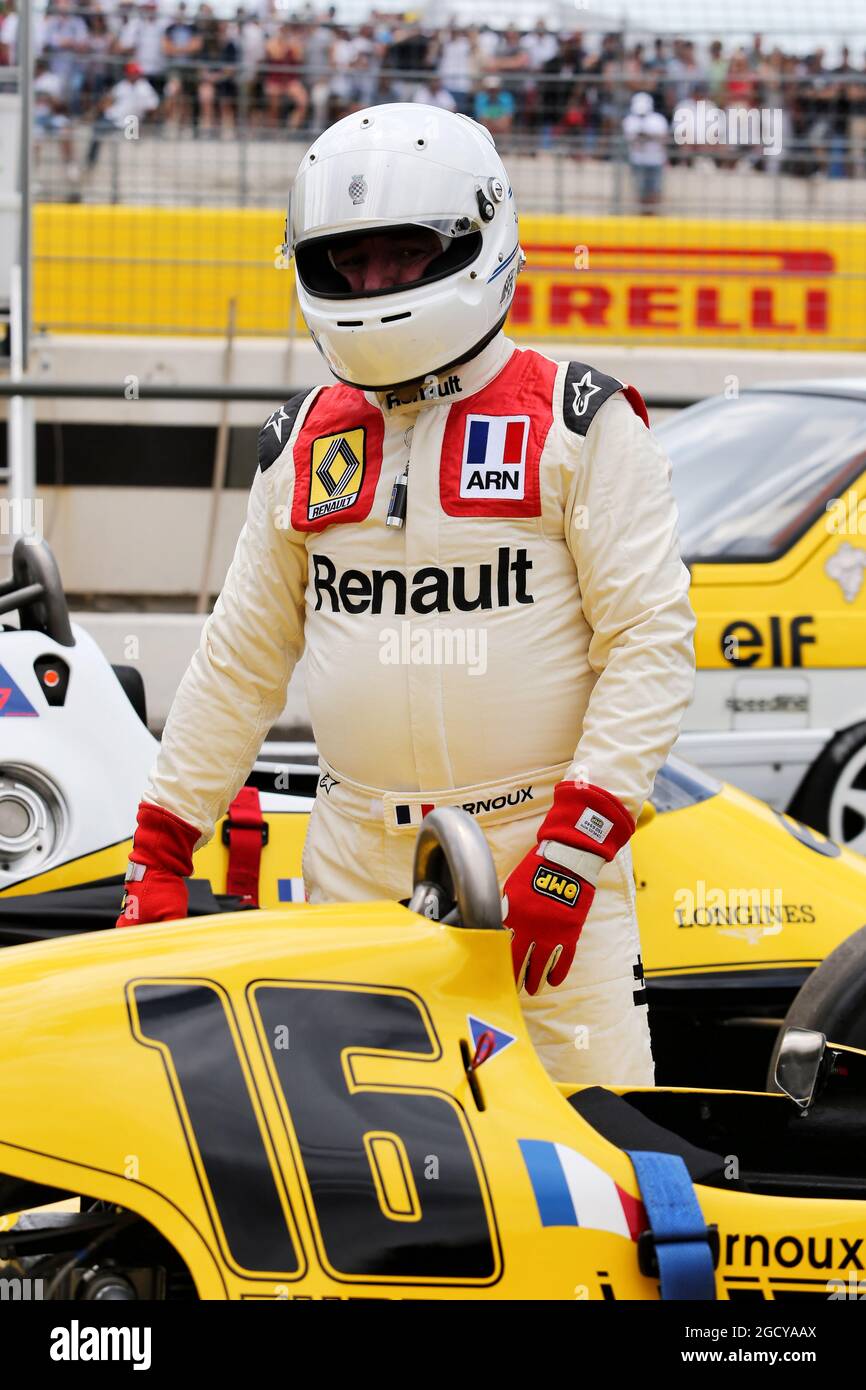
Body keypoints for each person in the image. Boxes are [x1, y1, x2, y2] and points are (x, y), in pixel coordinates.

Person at [117, 103, 695, 1087]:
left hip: (543, 866)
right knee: (348, 1179)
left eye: (398, 253)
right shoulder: (301, 439)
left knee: (597, 1165)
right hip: (351, 870)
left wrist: (570, 853)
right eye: (347, 261)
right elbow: (239, 662)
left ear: (478, 235)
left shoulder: (580, 421)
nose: (371, 282)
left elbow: (648, 644)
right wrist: (161, 845)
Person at [622, 90, 669, 211]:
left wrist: (646, 137)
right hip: (638, 161)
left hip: (655, 160)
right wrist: (649, 137)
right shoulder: (629, 120)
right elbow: (632, 141)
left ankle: (652, 218)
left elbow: (663, 140)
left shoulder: (658, 120)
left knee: (655, 191)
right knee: (640, 191)